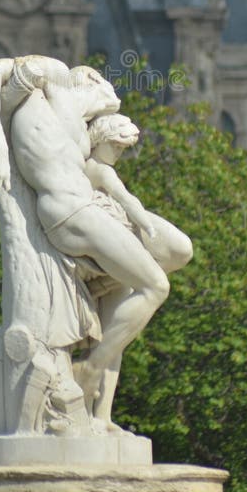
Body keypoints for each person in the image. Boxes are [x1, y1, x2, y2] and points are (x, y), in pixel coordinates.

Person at [0, 55, 179, 413]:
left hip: (88, 209)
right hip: (70, 211)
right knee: (156, 286)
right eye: (109, 87)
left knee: (178, 250)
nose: (116, 99)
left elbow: (104, 176)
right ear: (94, 80)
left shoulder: (81, 130)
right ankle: (90, 369)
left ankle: (101, 413)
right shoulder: (56, 78)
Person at [79, 113, 192, 429]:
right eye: (116, 146)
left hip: (118, 245)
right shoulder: (98, 169)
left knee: (119, 334)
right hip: (113, 242)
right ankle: (92, 389)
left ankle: (102, 416)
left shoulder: (97, 168)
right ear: (100, 141)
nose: (119, 154)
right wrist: (144, 223)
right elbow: (127, 200)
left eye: (123, 148)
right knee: (154, 287)